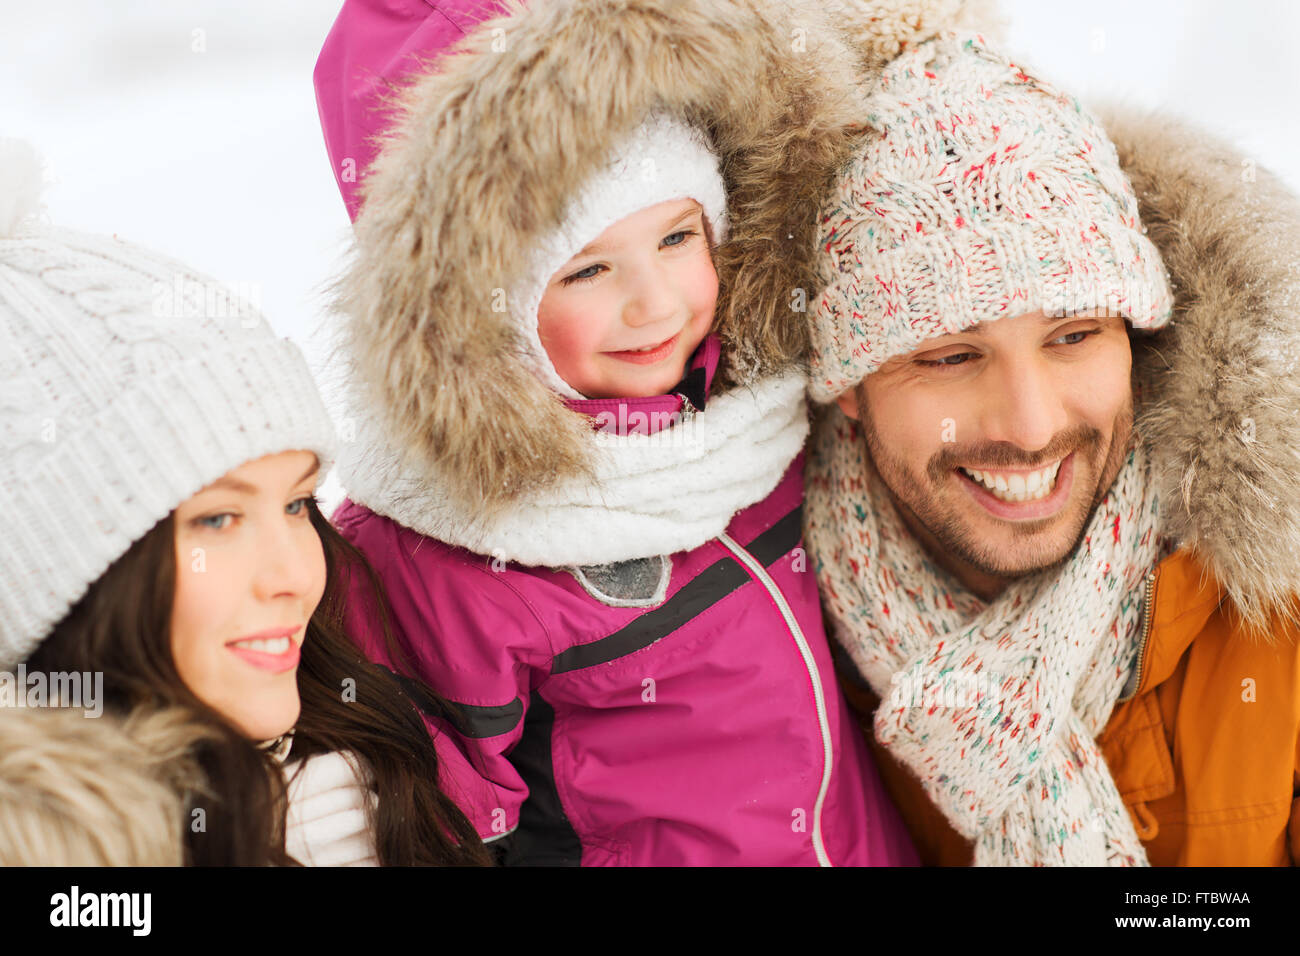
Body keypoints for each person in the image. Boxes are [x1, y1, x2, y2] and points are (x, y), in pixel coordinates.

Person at [311, 0, 991, 865]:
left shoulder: (761, 416)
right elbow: (432, 833)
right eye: (588, 268)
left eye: (678, 236)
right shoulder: (442, 551)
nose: (657, 304)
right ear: (475, 312)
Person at [804, 31, 1300, 865]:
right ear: (848, 385)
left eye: (1073, 335)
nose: (1030, 426)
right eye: (950, 355)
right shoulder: (767, 660)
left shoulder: (1276, 608)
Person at [0, 138, 490, 866]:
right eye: (218, 519)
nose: (294, 574)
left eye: (297, 505)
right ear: (51, 573)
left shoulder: (368, 786)